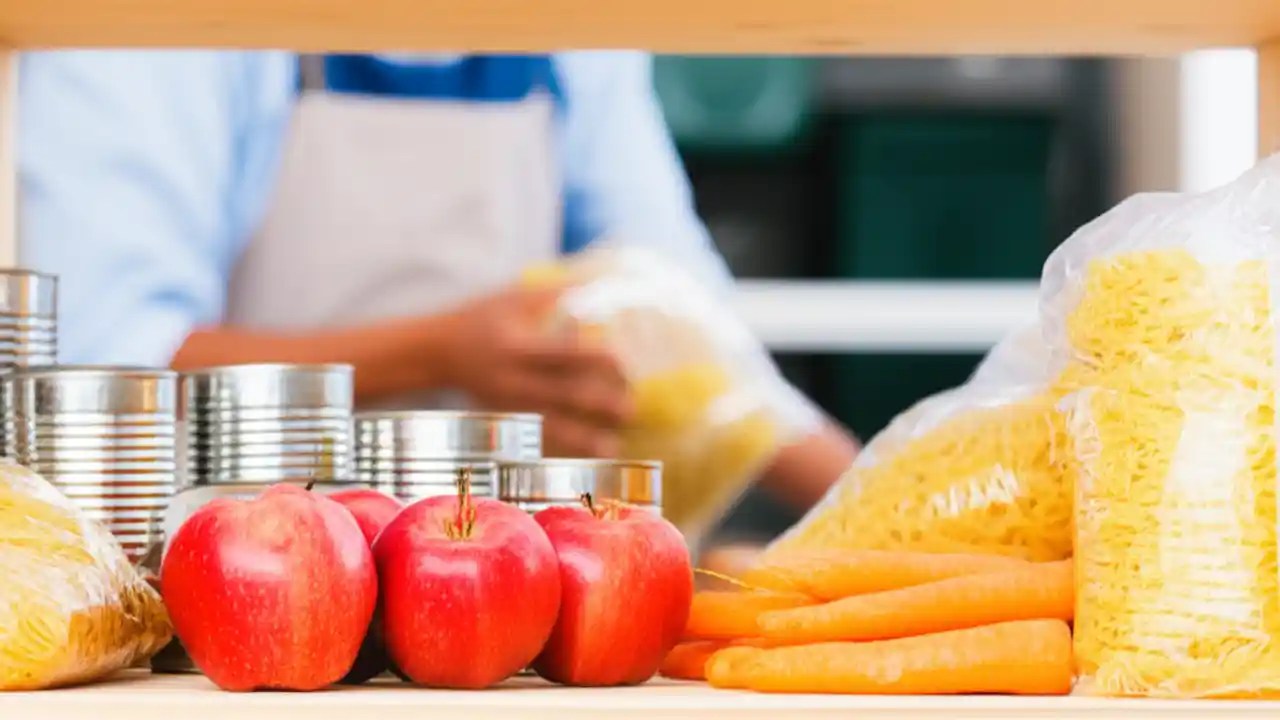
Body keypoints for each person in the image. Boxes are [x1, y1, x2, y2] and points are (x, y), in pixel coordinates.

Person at [18, 50, 858, 514]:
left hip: (504, 592)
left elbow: (682, 308)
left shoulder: (576, 38)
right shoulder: (158, 38)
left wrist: (869, 507)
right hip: (221, 586)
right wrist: (439, 352)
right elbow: (105, 372)